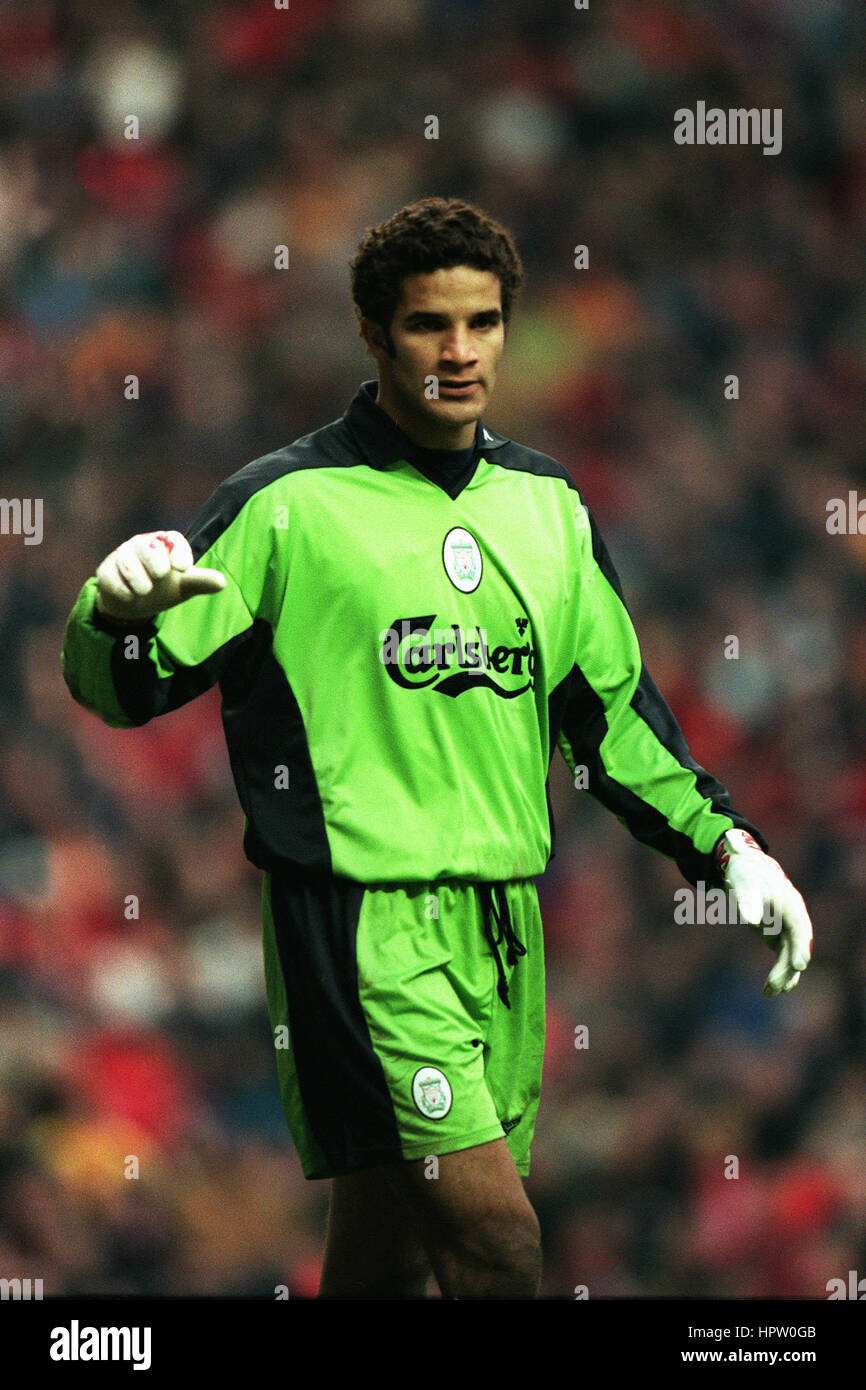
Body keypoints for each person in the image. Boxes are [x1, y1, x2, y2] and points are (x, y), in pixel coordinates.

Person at [61, 196, 813, 1300]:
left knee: (390, 1252)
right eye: (427, 325)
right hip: (359, 926)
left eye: (482, 322)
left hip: (503, 925)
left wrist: (729, 847)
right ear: (374, 335)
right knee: (495, 1245)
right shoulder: (286, 507)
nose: (458, 352)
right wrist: (111, 612)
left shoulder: (546, 507)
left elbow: (608, 718)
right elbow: (125, 687)